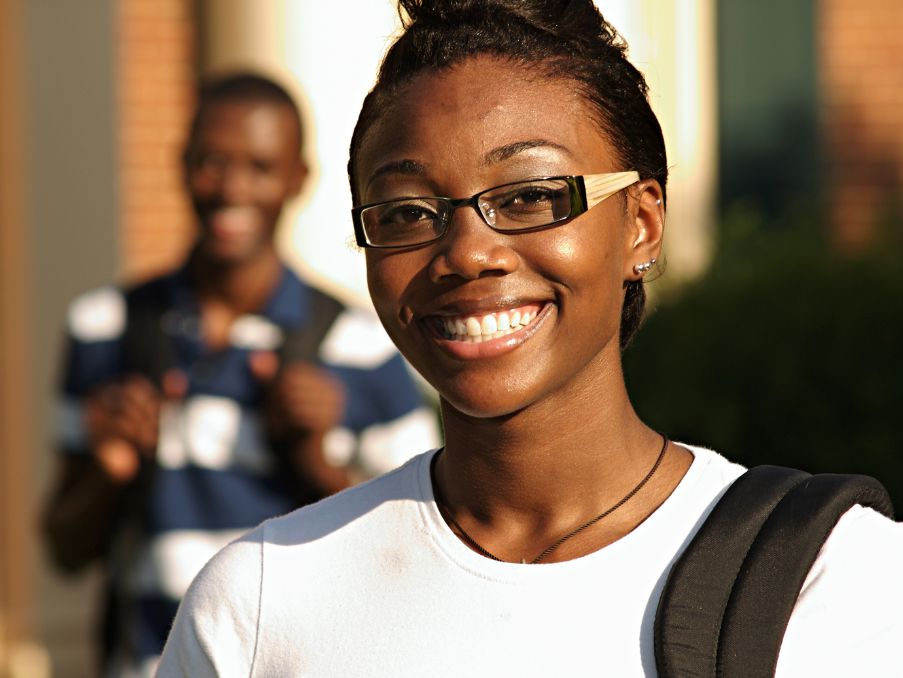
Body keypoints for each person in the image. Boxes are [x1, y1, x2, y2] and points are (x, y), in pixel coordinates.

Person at [157, 3, 903, 676]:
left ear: (640, 223)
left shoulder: (829, 579)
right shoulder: (260, 601)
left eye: (528, 197)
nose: (466, 253)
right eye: (407, 212)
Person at [42, 73, 440, 677]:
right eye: (211, 162)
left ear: (298, 179)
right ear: (180, 164)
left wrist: (317, 463)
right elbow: (65, 550)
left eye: (259, 166)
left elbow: (421, 554)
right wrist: (109, 469)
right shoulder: (104, 328)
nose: (231, 188)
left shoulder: (364, 343)